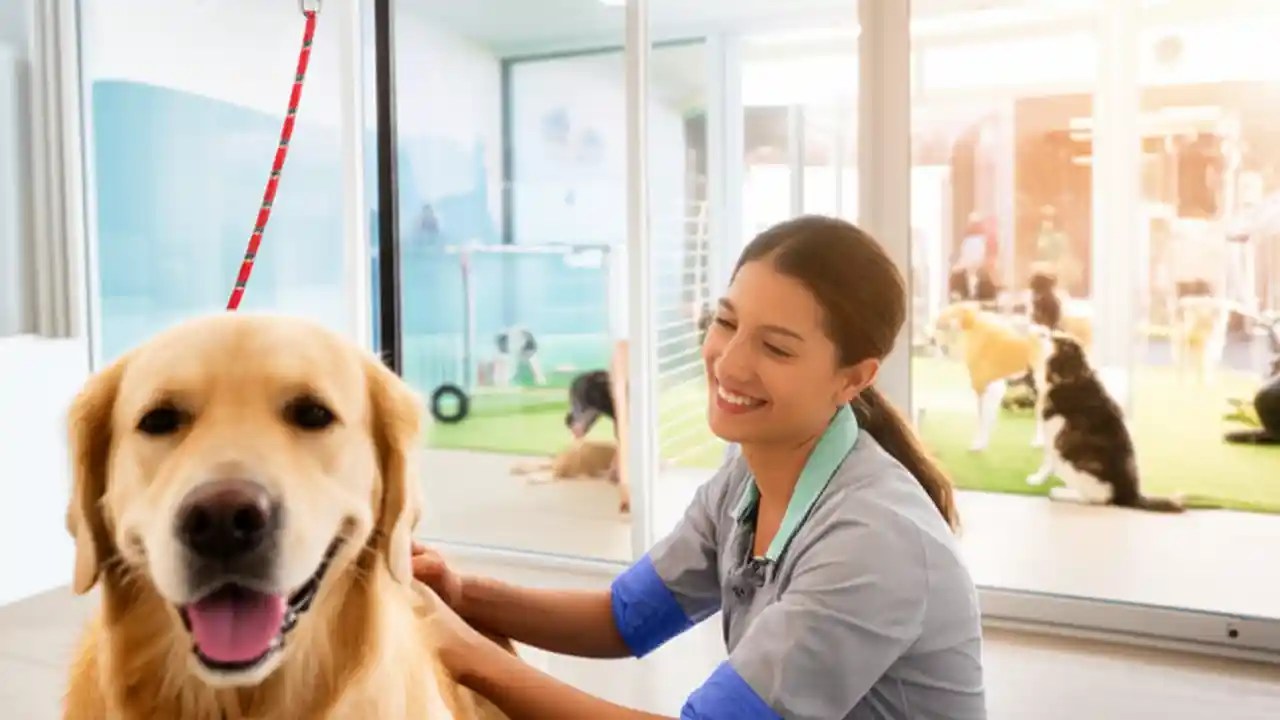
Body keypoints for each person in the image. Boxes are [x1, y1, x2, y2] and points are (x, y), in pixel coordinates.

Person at [414, 215, 986, 719]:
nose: (729, 363)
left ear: (855, 378)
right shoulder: (744, 481)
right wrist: (462, 595)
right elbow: (622, 619)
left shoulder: (875, 543)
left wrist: (468, 656)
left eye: (777, 348)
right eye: (727, 322)